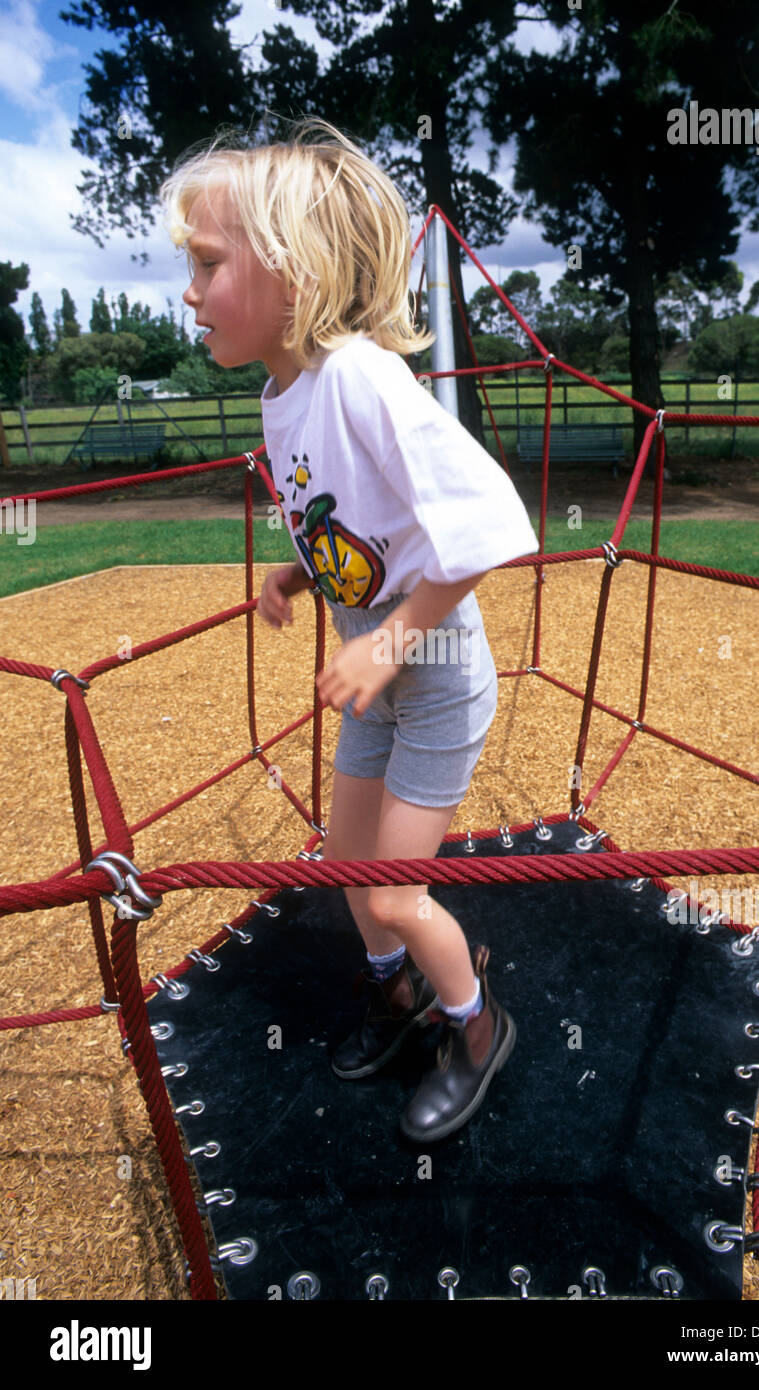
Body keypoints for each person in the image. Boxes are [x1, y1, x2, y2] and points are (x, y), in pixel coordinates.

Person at [159, 117, 538, 1143]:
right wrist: (295, 569)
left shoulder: (362, 378)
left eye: (205, 263)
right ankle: (399, 998)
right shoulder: (286, 398)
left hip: (436, 680)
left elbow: (487, 529)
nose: (187, 291)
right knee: (344, 865)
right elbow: (349, 523)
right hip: (379, 681)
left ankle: (476, 1027)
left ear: (292, 270)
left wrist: (385, 638)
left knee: (401, 890)